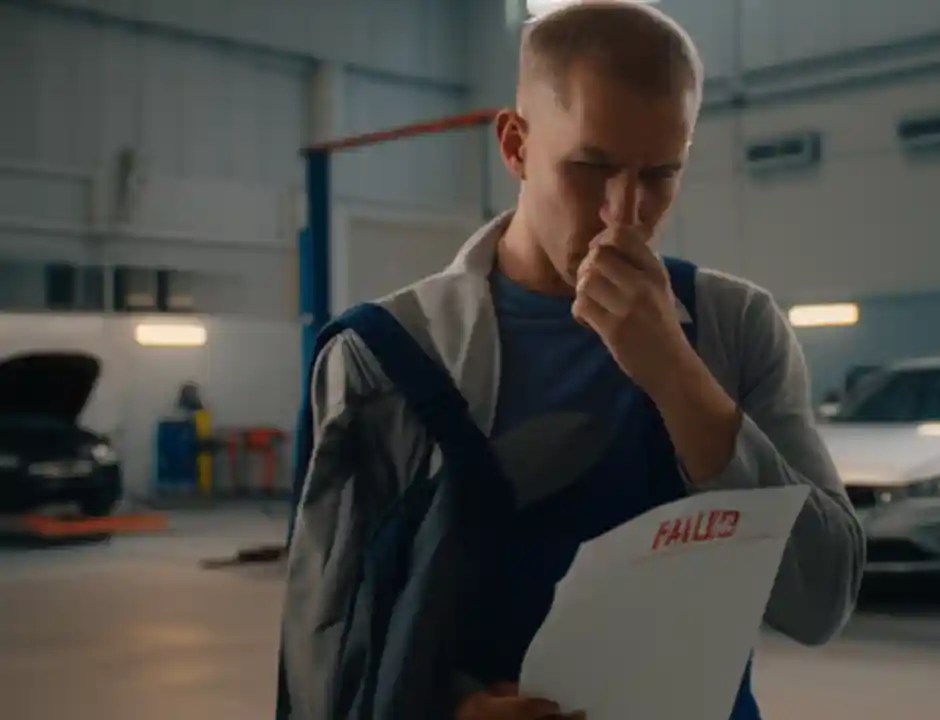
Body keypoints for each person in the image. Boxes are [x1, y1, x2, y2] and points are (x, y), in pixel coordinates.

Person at [280, 2, 865, 719]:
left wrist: (677, 375)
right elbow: (329, 649)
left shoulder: (734, 328)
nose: (625, 214)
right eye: (591, 168)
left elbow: (822, 601)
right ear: (516, 144)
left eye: (660, 175)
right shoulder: (388, 358)